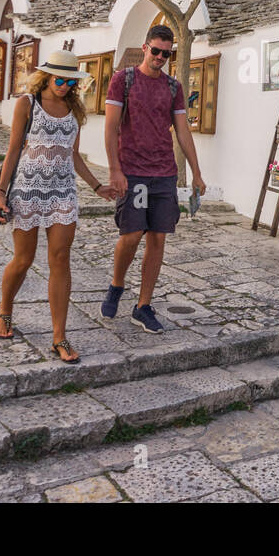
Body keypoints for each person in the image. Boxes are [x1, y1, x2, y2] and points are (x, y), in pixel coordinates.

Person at [0, 51, 116, 362]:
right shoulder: (27, 104)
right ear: (46, 77)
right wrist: (0, 192)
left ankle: (59, 336)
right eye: (58, 79)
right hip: (28, 190)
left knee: (61, 259)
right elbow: (13, 151)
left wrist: (97, 186)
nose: (63, 85)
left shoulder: (73, 109)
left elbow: (74, 154)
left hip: (62, 192)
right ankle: (5, 310)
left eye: (69, 81)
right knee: (23, 259)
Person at [100, 24, 206, 335]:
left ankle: (143, 306)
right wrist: (114, 169)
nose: (160, 57)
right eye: (156, 50)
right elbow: (110, 128)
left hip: (163, 172)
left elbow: (183, 131)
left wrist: (196, 171)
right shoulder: (124, 80)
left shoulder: (173, 87)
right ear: (145, 47)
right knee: (131, 234)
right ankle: (117, 284)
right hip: (133, 171)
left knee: (158, 237)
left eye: (166, 53)